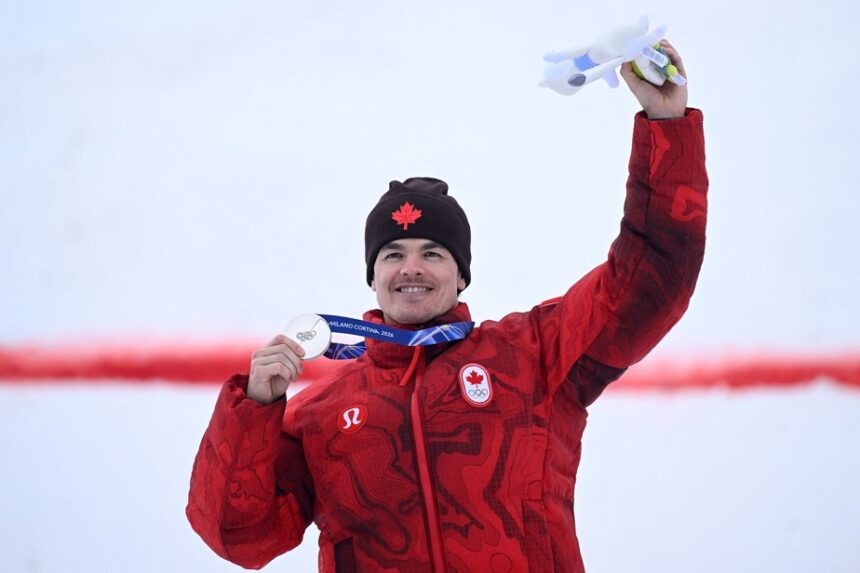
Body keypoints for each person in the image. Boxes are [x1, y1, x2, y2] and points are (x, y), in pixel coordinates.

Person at [187, 40, 707, 572]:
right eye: (393, 254)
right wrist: (252, 412)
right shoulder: (318, 415)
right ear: (374, 277)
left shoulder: (533, 356)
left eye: (432, 253)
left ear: (461, 275)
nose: (411, 268)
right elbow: (240, 538)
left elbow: (651, 276)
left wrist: (666, 127)